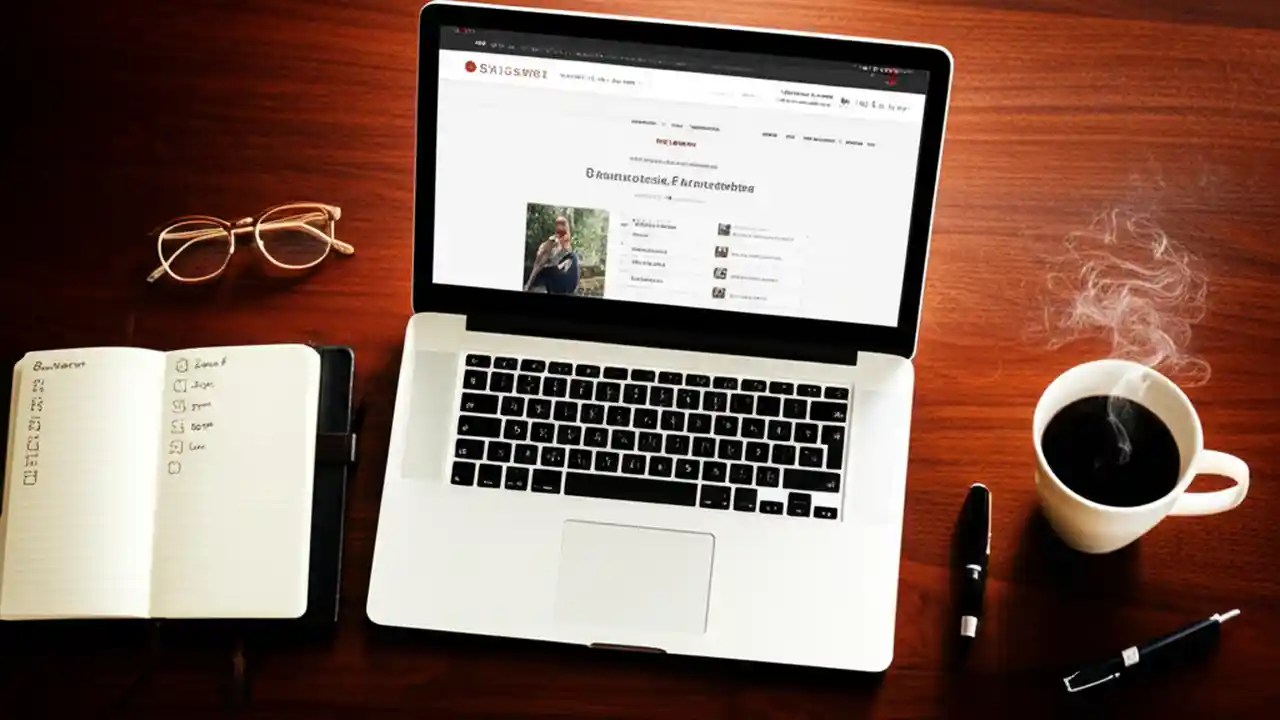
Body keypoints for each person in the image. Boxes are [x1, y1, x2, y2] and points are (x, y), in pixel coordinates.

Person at [525, 214, 580, 294]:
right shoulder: (566, 242)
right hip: (571, 285)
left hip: (562, 283)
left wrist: (528, 284)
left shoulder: (554, 241)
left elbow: (540, 264)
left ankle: (532, 286)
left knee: (542, 268)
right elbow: (561, 263)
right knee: (543, 266)